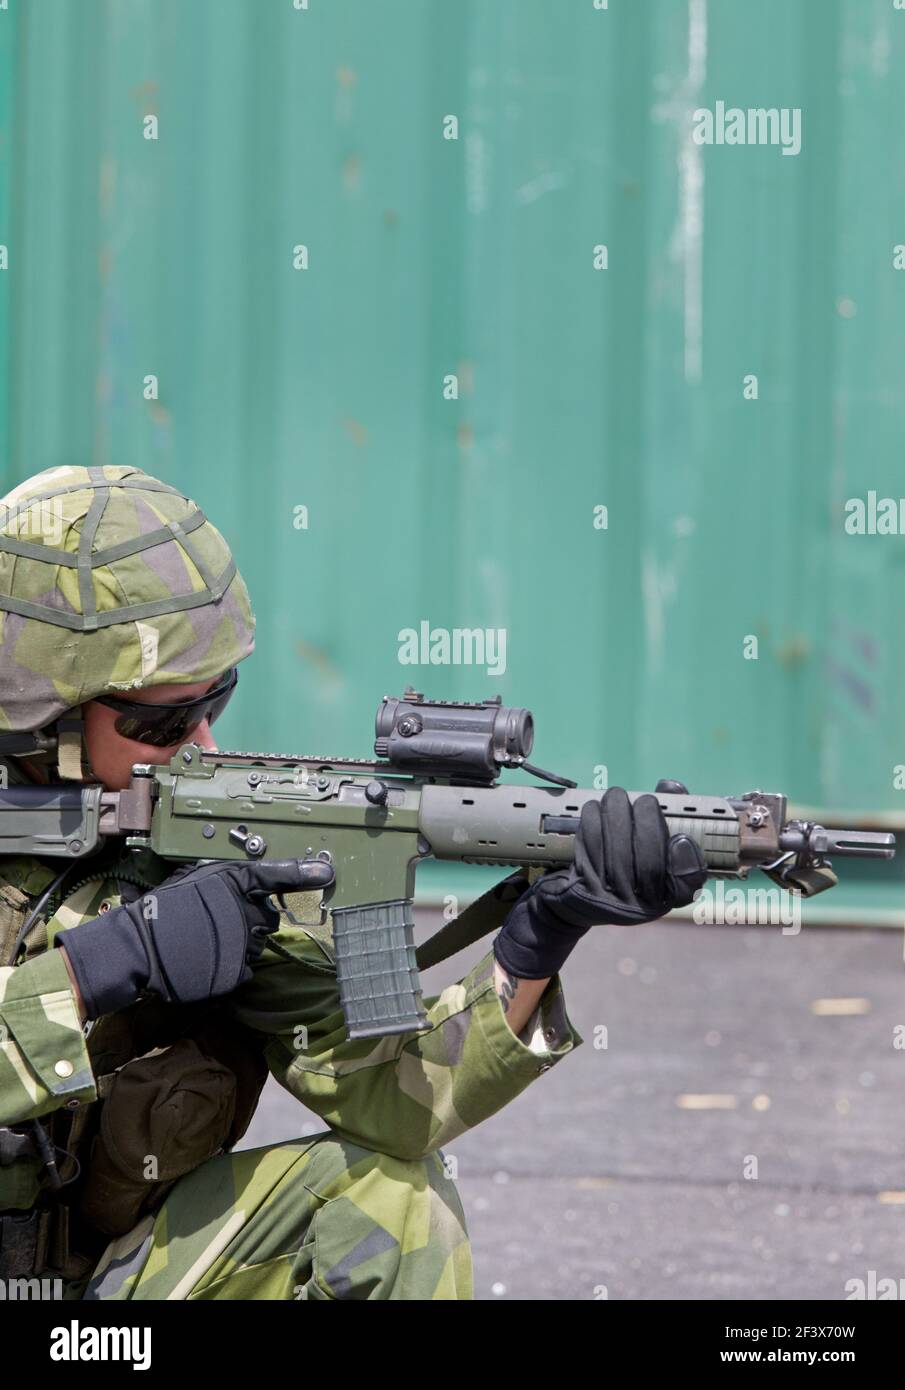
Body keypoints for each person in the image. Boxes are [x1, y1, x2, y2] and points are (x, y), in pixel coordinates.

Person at [0, 464, 707, 1300]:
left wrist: (539, 936)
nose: (202, 748)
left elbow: (400, 1100)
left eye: (213, 705)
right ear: (42, 716)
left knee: (390, 1202)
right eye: (160, 723)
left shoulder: (190, 853)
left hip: (90, 1295)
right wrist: (94, 971)